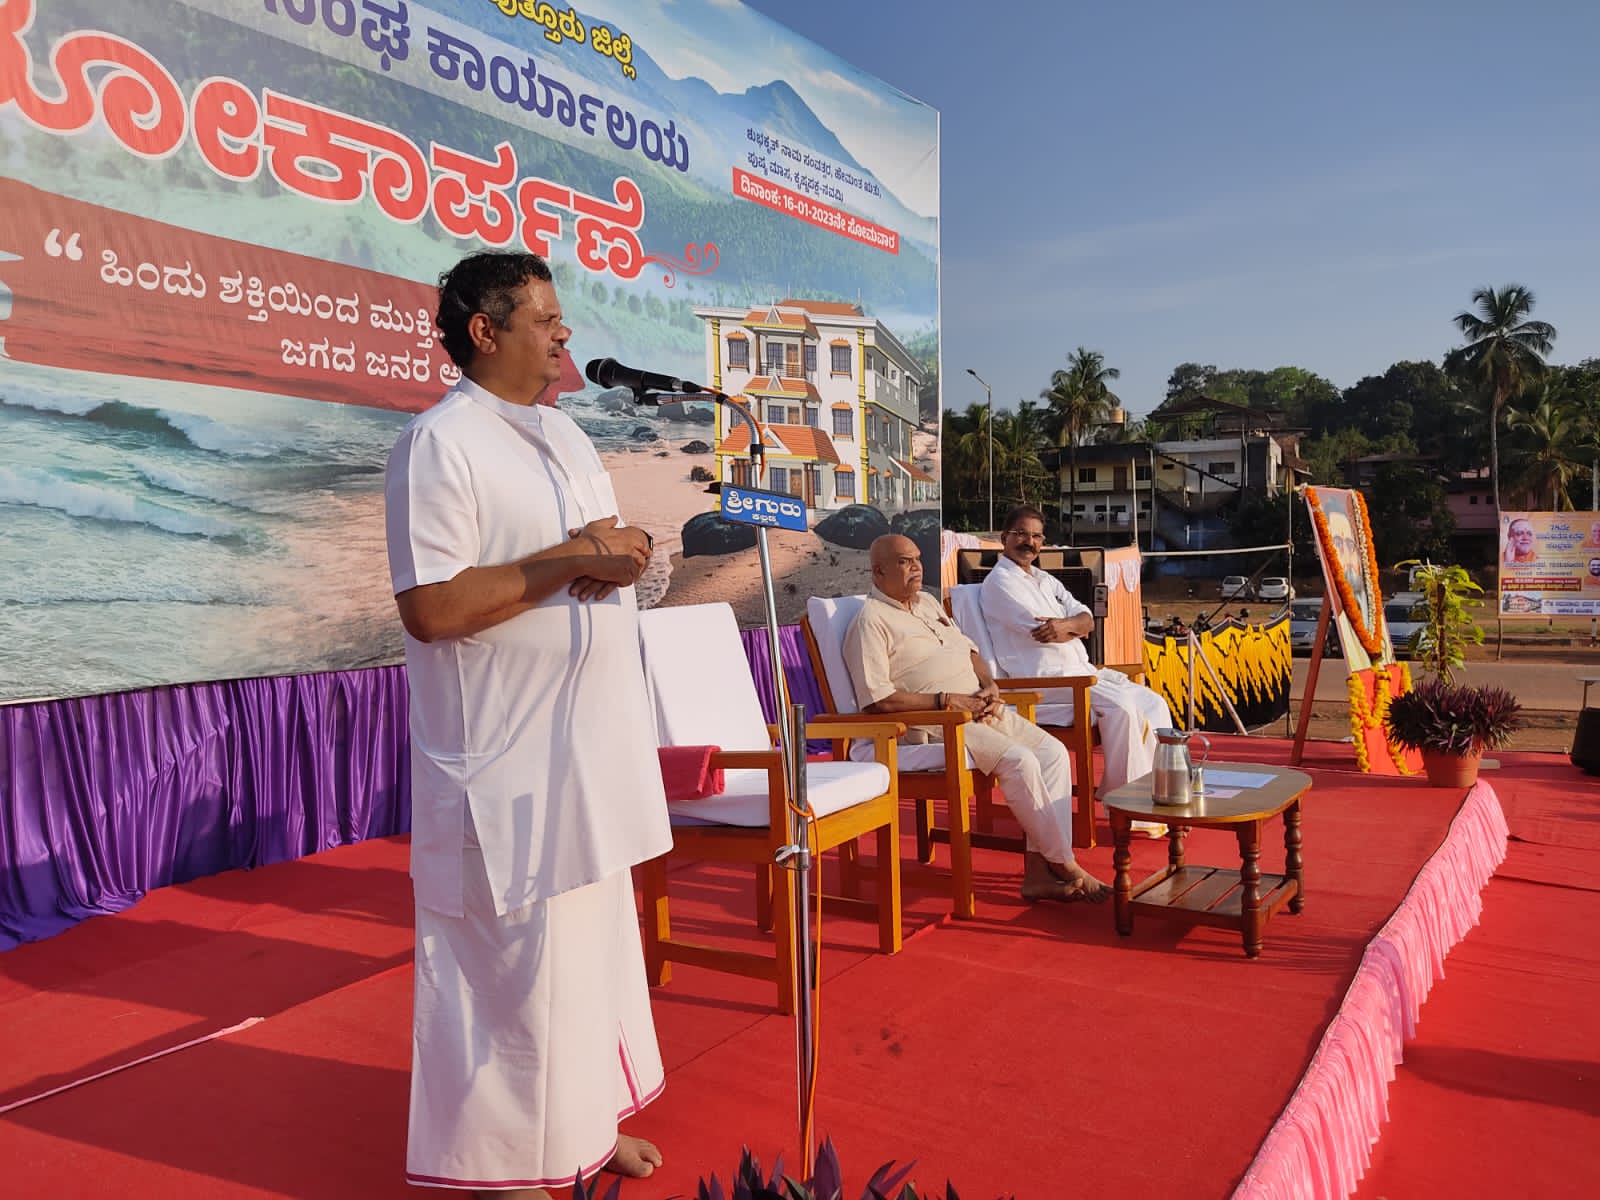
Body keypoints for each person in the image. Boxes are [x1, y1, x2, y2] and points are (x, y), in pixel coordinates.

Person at [384, 251, 671, 1198]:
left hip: (583, 754)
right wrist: (565, 561)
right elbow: (432, 608)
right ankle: (499, 1175)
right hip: (500, 764)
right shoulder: (441, 443)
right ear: (485, 331)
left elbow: (604, 542)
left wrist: (626, 549)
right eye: (546, 319)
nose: (564, 334)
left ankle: (584, 1131)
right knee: (505, 979)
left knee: (584, 959)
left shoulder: (563, 434)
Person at [841, 534, 1110, 904]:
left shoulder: (927, 603)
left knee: (1053, 754)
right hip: (936, 724)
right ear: (878, 571)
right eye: (905, 561)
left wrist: (989, 685)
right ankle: (1066, 865)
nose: (917, 566)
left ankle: (1037, 874)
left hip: (982, 708)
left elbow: (969, 652)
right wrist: (946, 701)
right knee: (1021, 762)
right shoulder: (869, 622)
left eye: (918, 558)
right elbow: (878, 700)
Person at [979, 506, 1175, 796]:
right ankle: (1126, 801)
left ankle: (1161, 792)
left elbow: (1085, 617)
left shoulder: (1044, 579)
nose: (1028, 542)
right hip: (1043, 681)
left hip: (1081, 674)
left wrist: (1069, 625)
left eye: (1036, 536)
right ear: (1004, 537)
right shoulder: (999, 583)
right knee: (1122, 708)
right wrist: (1074, 626)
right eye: (1020, 534)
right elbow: (1044, 630)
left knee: (1153, 702)